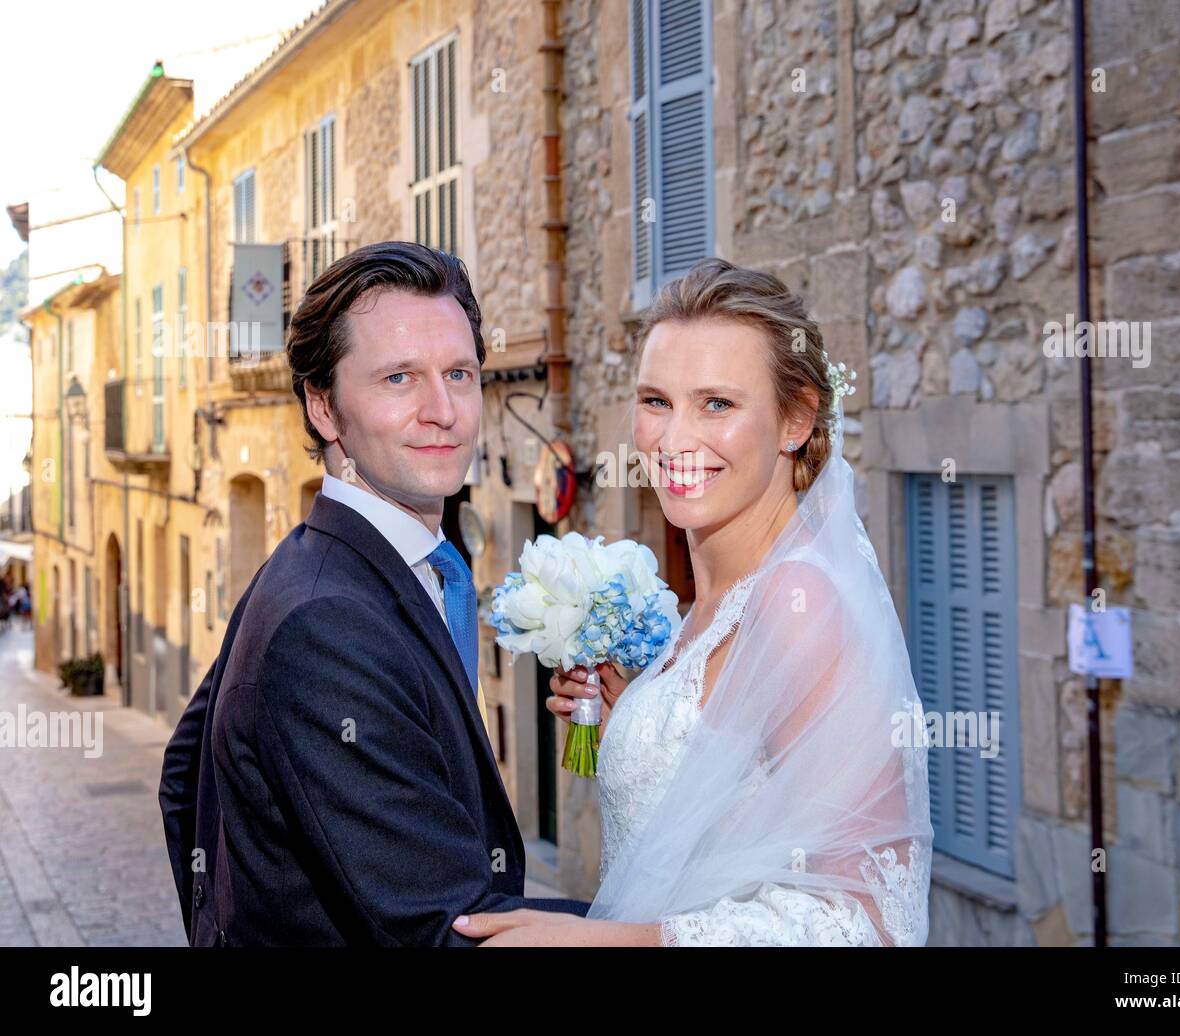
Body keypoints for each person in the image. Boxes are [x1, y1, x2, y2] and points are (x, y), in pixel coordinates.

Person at [454, 258, 933, 946]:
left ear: (795, 419)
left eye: (717, 404)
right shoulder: (706, 607)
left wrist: (598, 943)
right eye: (656, 401)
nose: (675, 441)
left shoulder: (799, 602)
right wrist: (634, 722)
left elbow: (868, 923)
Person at [158, 242, 590, 946]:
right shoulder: (326, 623)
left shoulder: (312, 563)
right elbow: (444, 928)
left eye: (459, 373)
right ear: (324, 407)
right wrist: (689, 932)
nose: (444, 410)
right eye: (399, 379)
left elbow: (182, 777)